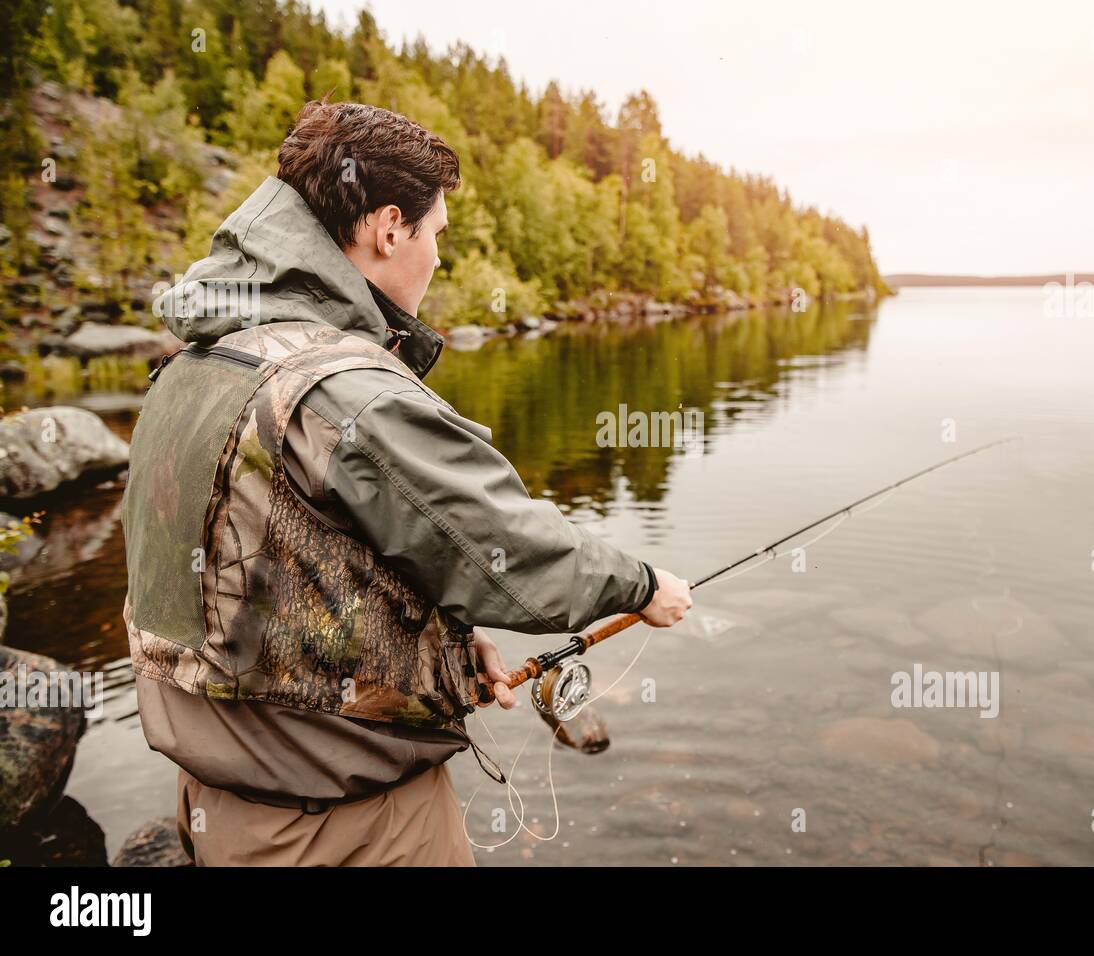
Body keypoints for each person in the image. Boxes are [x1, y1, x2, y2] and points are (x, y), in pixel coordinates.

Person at [120, 99, 693, 866]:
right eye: (436, 235)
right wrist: (642, 585)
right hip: (343, 827)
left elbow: (263, 576)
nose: (438, 258)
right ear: (390, 228)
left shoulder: (198, 362)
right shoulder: (346, 392)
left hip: (216, 802)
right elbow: (509, 550)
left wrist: (447, 640)